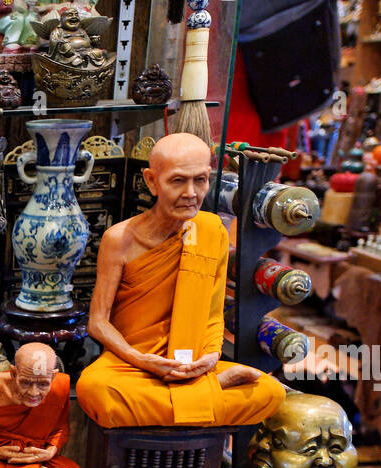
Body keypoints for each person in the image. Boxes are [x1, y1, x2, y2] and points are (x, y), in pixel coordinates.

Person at [76, 132, 285, 429]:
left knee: (270, 393)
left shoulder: (212, 231)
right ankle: (210, 392)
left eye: (200, 180)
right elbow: (97, 323)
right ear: (151, 181)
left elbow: (214, 313)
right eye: (177, 181)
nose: (191, 192)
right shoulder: (121, 239)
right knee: (94, 391)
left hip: (191, 365)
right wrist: (143, 360)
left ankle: (192, 392)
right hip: (131, 367)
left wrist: (211, 358)